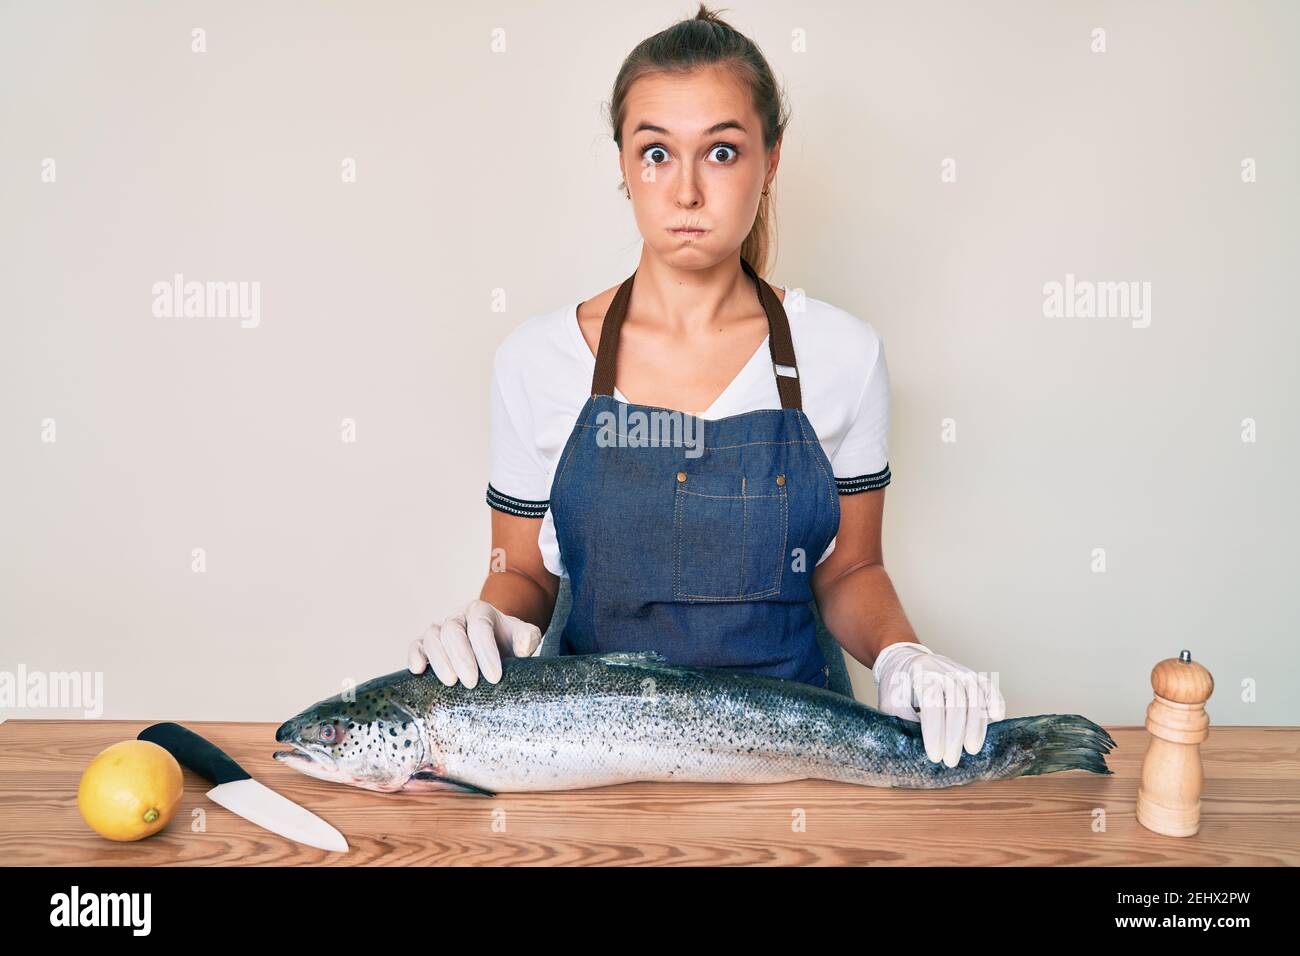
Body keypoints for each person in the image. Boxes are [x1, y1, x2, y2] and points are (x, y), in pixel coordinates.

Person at [408, 4, 1004, 768]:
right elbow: (523, 571)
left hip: (802, 750)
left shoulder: (842, 355)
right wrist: (486, 619)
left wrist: (901, 655)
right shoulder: (536, 361)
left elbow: (851, 568)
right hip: (590, 757)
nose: (685, 191)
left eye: (721, 152)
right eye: (656, 153)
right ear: (623, 163)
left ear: (772, 159)